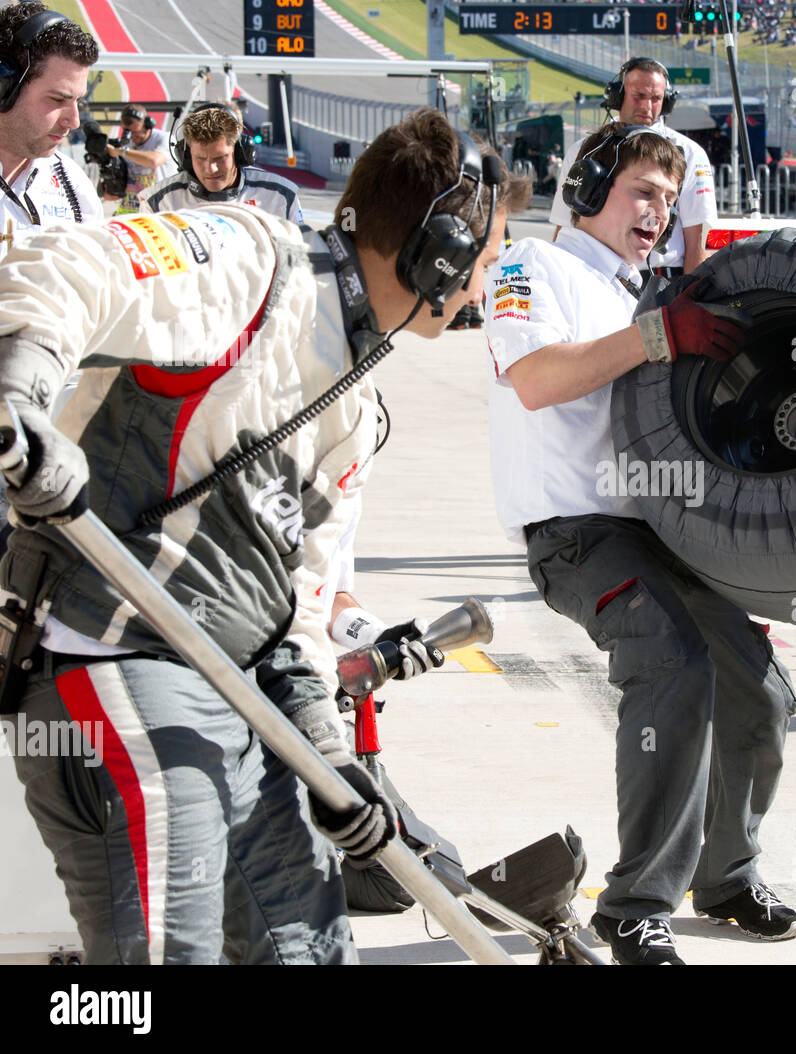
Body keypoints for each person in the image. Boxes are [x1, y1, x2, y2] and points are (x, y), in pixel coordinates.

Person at [0, 107, 525, 963]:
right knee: (170, 952)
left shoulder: (353, 410)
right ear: (439, 254)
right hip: (110, 652)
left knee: (309, 950)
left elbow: (304, 607)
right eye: (487, 256)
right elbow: (66, 265)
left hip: (239, 688)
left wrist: (327, 755)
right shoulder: (252, 258)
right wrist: (20, 396)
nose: (485, 280)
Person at [486, 123, 796, 966]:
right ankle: (632, 908)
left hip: (663, 529)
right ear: (589, 192)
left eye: (669, 198)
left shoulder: (646, 297)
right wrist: (659, 336)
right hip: (575, 531)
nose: (658, 212)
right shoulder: (531, 268)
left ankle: (726, 875)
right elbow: (539, 380)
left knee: (761, 690)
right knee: (671, 663)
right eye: (641, 192)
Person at [549, 57, 716, 278]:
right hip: (596, 275)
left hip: (663, 282)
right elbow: (566, 223)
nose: (647, 106)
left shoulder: (691, 154)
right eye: (639, 96)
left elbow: (698, 237)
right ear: (618, 96)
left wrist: (691, 299)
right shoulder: (584, 150)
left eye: (656, 99)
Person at [0, 3, 100, 250]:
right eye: (58, 100)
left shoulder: (76, 188)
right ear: (4, 87)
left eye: (78, 100)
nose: (74, 121)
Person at [140, 102, 302, 221]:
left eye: (220, 158)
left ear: (239, 153)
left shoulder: (281, 197)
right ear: (187, 157)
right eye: (200, 158)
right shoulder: (158, 203)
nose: (210, 168)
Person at [103, 102, 175, 212]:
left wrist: (122, 152)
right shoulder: (123, 145)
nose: (132, 136)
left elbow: (154, 160)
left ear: (148, 124)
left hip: (159, 210)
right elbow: (108, 194)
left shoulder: (164, 138)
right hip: (130, 210)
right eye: (128, 131)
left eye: (136, 132)